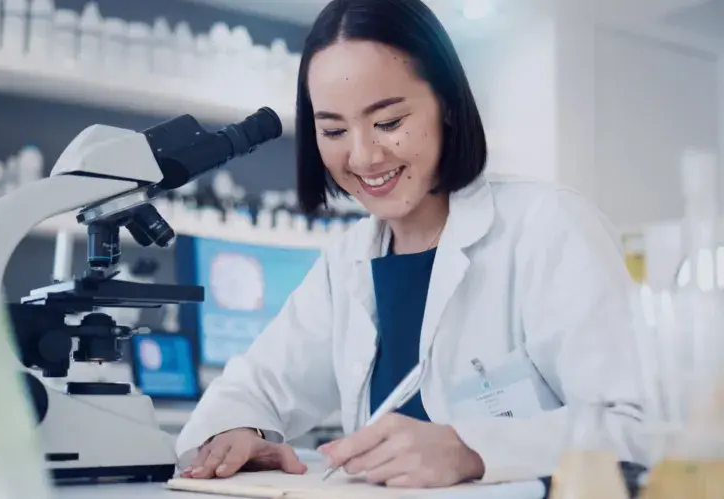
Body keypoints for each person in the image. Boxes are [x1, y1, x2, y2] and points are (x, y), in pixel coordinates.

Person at [176, 0, 646, 488]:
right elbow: (255, 386)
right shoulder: (347, 261)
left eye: (388, 122)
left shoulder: (548, 226)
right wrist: (239, 430)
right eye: (334, 129)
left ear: (446, 103)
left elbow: (637, 425)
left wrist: (472, 450)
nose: (362, 156)